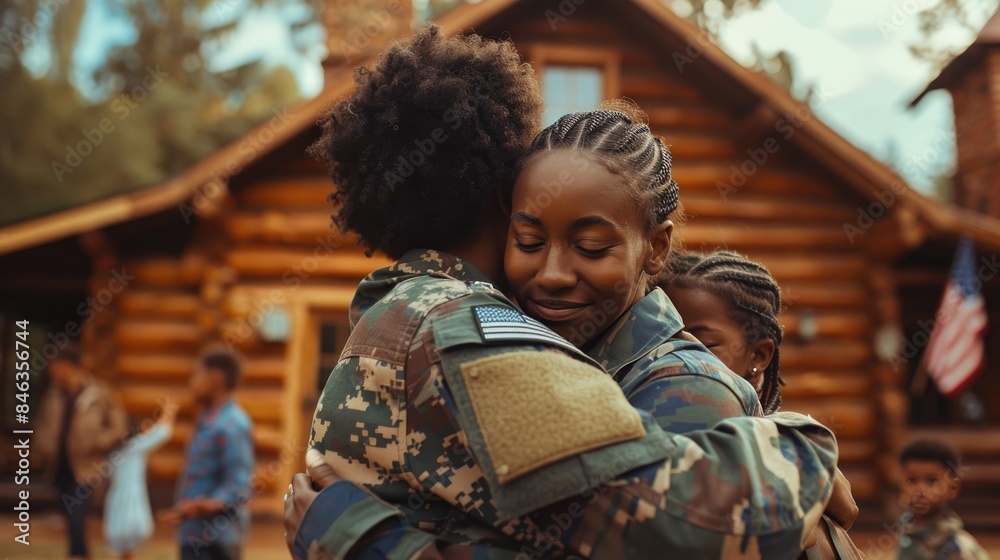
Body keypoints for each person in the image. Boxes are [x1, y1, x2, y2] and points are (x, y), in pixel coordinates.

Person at [289, 25, 839, 559]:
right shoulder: (470, 331)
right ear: (505, 199)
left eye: (592, 246)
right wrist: (801, 449)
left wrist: (366, 541)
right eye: (530, 238)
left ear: (655, 246)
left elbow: (691, 531)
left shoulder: (683, 382)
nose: (552, 273)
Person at [158, 349, 255, 560]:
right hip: (194, 533)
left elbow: (238, 482)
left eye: (197, 375)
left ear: (216, 379)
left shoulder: (232, 424)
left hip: (217, 541)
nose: (192, 383)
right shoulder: (208, 420)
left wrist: (208, 505)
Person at [36, 340, 128, 560]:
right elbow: (44, 425)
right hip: (61, 464)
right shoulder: (53, 395)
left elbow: (118, 428)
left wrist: (97, 442)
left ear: (68, 365)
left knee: (77, 514)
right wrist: (42, 449)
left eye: (54, 365)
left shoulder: (99, 393)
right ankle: (81, 553)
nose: (51, 371)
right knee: (69, 513)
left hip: (87, 465)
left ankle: (76, 555)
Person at [104, 397, 178, 559]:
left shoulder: (114, 452)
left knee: (121, 545)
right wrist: (168, 413)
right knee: (130, 538)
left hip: (116, 499)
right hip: (131, 499)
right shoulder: (134, 447)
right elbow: (161, 433)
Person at [895, 439, 988, 560]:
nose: (920, 490)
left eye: (932, 481)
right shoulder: (906, 533)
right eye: (911, 480)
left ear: (953, 488)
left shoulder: (959, 548)